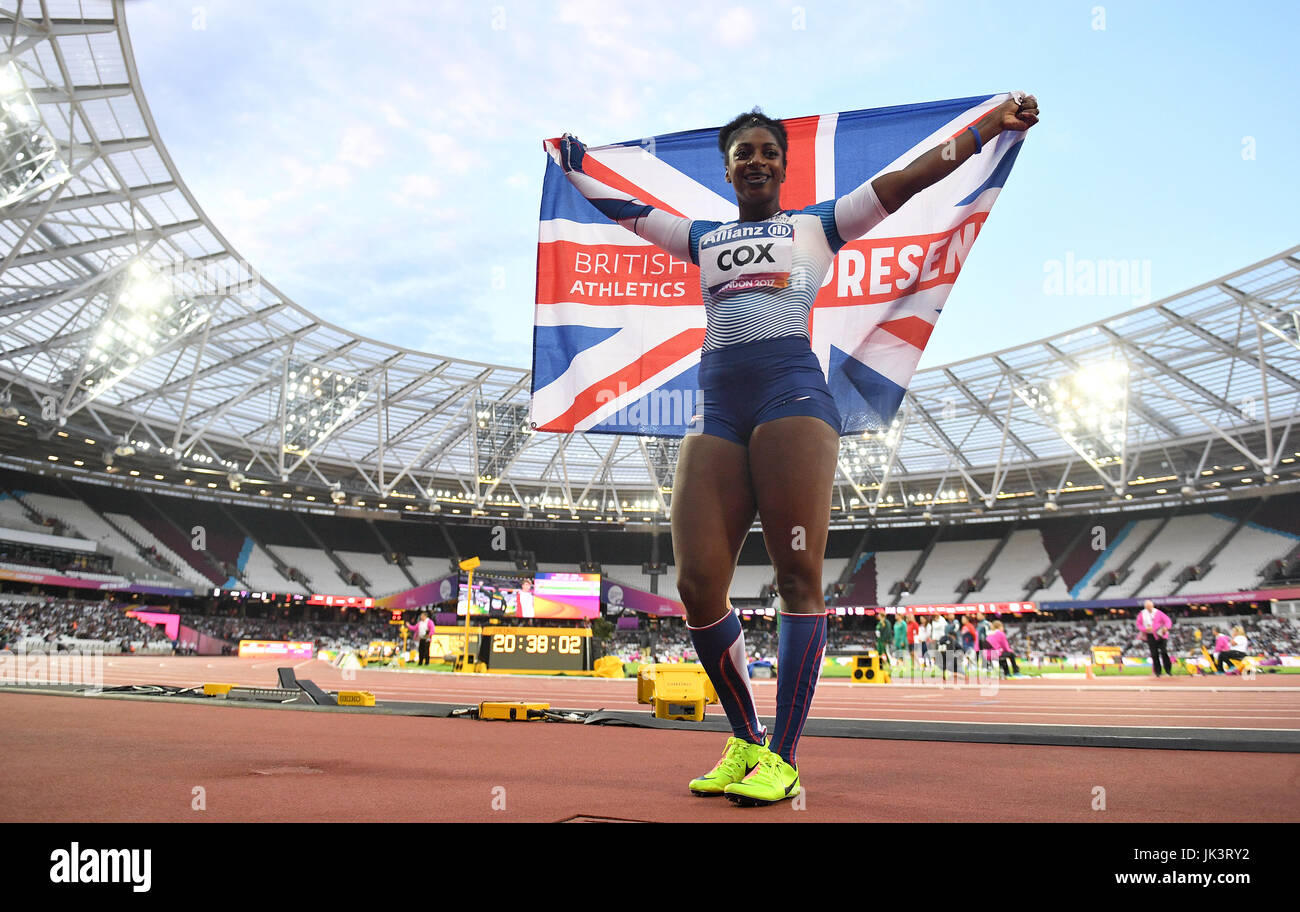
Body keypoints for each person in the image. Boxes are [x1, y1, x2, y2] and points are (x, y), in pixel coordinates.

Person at [558, 93, 1040, 806]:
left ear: (782, 165)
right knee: (696, 585)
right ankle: (747, 741)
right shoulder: (701, 238)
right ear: (728, 171)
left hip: (791, 398)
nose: (755, 160)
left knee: (796, 576)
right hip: (718, 404)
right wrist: (574, 168)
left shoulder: (820, 224)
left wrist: (987, 126)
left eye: (766, 151)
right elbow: (625, 211)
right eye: (743, 153)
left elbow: (913, 177)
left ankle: (783, 758)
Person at [1136, 600, 1173, 677]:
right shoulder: (1142, 614)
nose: (1149, 608)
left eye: (1150, 607)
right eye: (1148, 607)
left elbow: (1168, 621)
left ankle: (1168, 670)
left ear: (1152, 606)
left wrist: (1166, 627)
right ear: (1145, 607)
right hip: (1150, 635)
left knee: (1164, 652)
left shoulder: (1158, 613)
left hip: (1160, 634)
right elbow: (1138, 625)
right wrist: (1145, 629)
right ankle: (1157, 672)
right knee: (1154, 654)